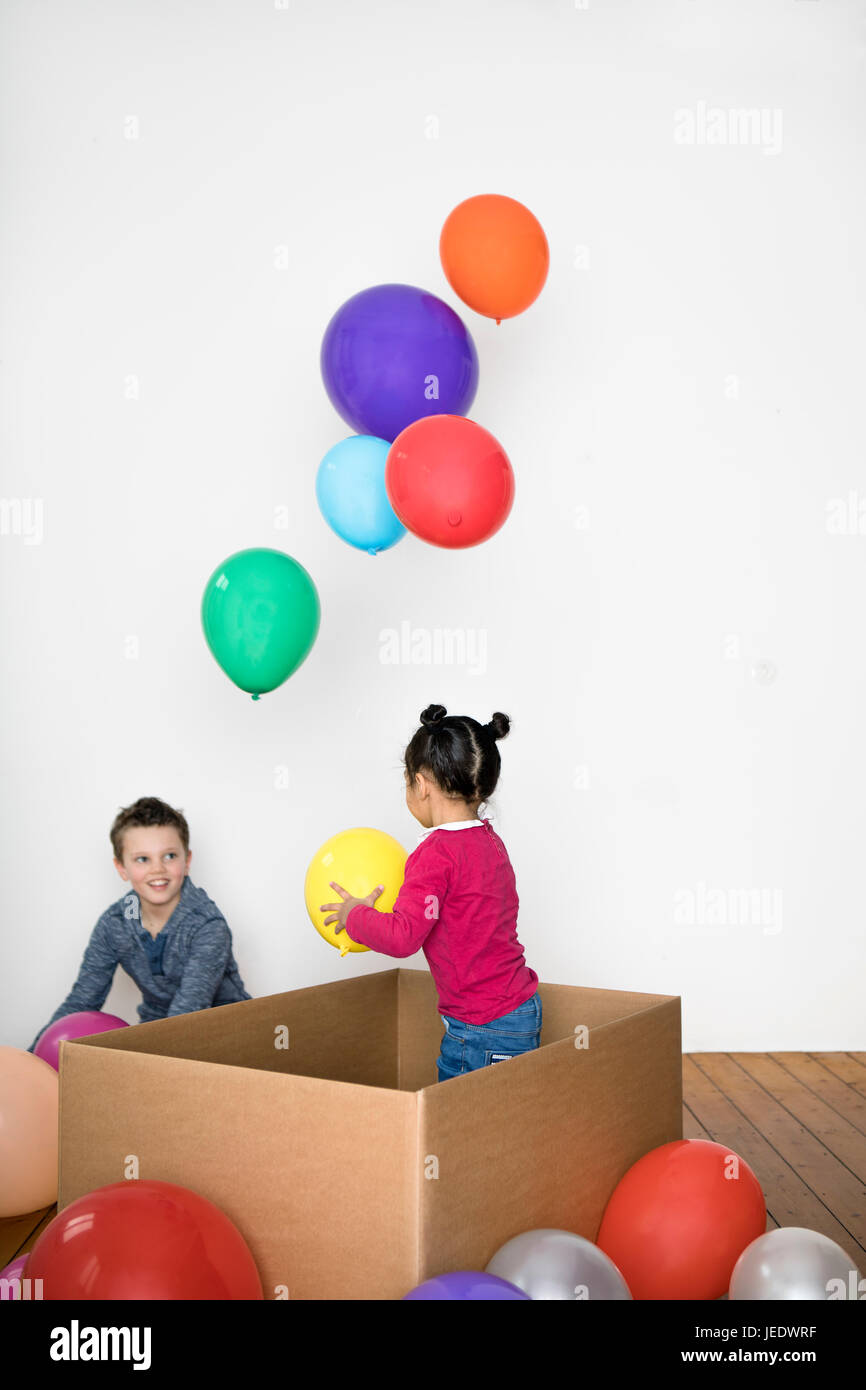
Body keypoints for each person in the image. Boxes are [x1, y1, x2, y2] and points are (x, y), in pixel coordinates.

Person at [320, 703, 541, 1082]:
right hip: (520, 1009)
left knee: (454, 1121)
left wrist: (354, 916)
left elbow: (404, 936)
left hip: (480, 1026)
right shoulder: (490, 841)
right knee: (506, 1118)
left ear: (420, 784)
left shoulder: (434, 854)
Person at [28, 796, 251, 1053]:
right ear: (121, 868)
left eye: (169, 856)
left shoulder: (207, 925)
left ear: (187, 861)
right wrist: (32, 1058)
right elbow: (82, 1001)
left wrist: (141, 1066)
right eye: (142, 859)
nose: (158, 869)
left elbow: (189, 1012)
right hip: (157, 1036)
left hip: (226, 1037)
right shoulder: (115, 924)